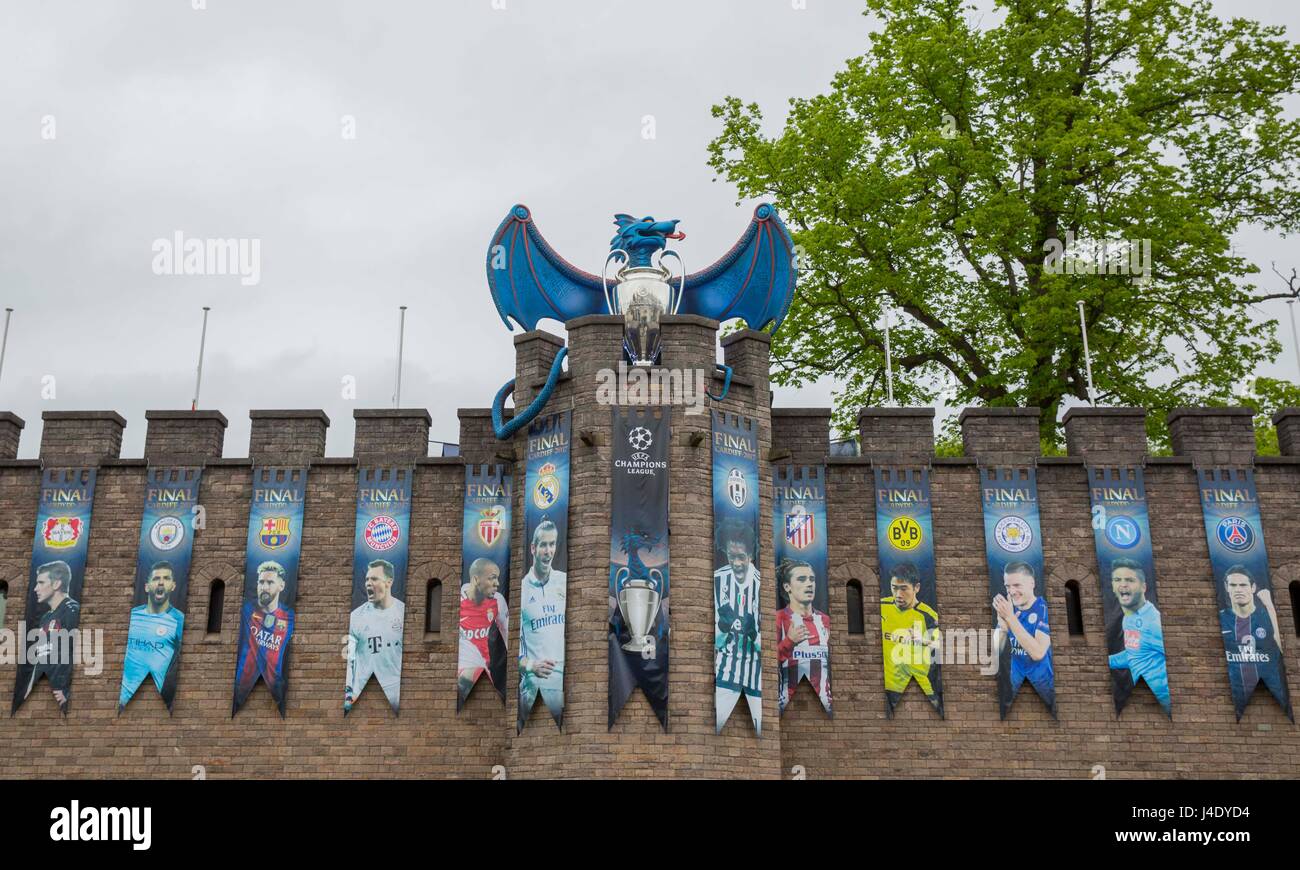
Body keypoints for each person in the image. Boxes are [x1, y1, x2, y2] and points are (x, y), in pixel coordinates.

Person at [713, 518, 761, 731]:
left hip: (756, 675)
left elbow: (771, 646)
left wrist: (754, 634)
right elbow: (716, 643)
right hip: (725, 673)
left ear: (750, 556)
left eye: (741, 557)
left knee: (759, 730)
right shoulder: (717, 580)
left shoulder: (761, 584)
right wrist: (723, 628)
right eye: (732, 557)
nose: (737, 563)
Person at [1218, 564, 1288, 707]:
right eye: (1233, 585)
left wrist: (1269, 606)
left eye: (1243, 585)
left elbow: (1281, 648)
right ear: (1227, 587)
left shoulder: (1266, 614)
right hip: (1236, 693)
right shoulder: (1223, 618)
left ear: (1253, 587)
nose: (1238, 589)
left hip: (1272, 690)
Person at [119, 561, 185, 710]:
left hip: (155, 701)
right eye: (156, 578)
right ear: (147, 586)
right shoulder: (133, 615)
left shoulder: (178, 620)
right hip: (119, 701)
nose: (161, 582)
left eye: (166, 578)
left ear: (173, 586)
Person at [16, 560, 81, 714]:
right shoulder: (46, 617)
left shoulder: (72, 611)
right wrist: (29, 689)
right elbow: (40, 658)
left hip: (60, 694)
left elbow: (78, 653)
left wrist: (67, 692)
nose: (35, 588)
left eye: (41, 582)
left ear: (56, 584)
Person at [1105, 557, 1169, 711]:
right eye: (1117, 579)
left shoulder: (1153, 622)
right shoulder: (1129, 618)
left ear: (1144, 587)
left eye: (1130, 580)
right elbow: (1135, 655)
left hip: (1164, 700)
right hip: (1147, 700)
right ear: (1113, 586)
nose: (1123, 584)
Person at [519, 521, 566, 721]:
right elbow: (506, 650)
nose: (548, 551)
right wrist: (531, 666)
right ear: (533, 548)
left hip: (564, 692)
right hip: (533, 693)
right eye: (543, 545)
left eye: (552, 544)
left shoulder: (564, 581)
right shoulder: (521, 591)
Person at [345, 559, 405, 713]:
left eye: (374, 579)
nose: (368, 583)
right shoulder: (356, 617)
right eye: (366, 579)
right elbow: (349, 659)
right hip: (362, 693)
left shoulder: (403, 612)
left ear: (389, 582)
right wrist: (349, 692)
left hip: (395, 692)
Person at [233, 560, 295, 709]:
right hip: (240, 686)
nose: (264, 587)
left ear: (281, 586)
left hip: (275, 687)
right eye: (261, 582)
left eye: (270, 582)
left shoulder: (289, 618)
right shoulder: (247, 610)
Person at [992, 560, 1053, 705]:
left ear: (1032, 583)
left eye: (1017, 585)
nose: (1012, 592)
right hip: (1016, 685)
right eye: (1008, 586)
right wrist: (1002, 628)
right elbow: (994, 652)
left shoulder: (1043, 609)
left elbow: (1038, 653)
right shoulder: (1010, 610)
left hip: (1045, 688)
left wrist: (1011, 619)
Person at [880, 563, 940, 708]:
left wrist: (924, 640)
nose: (898, 595)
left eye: (904, 589)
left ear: (916, 588)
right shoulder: (881, 606)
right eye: (894, 588)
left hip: (921, 688)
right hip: (886, 688)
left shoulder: (928, 615)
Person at [776, 559, 830, 713]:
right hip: (785, 704)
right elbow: (763, 662)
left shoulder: (825, 621)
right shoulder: (778, 619)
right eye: (801, 579)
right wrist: (789, 641)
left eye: (812, 579)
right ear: (787, 587)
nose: (809, 584)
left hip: (826, 703)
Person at [458, 557, 508, 702]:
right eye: (492, 578)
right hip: (462, 670)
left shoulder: (497, 601)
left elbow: (508, 637)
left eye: (498, 578)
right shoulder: (457, 598)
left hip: (483, 670)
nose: (497, 583)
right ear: (475, 579)